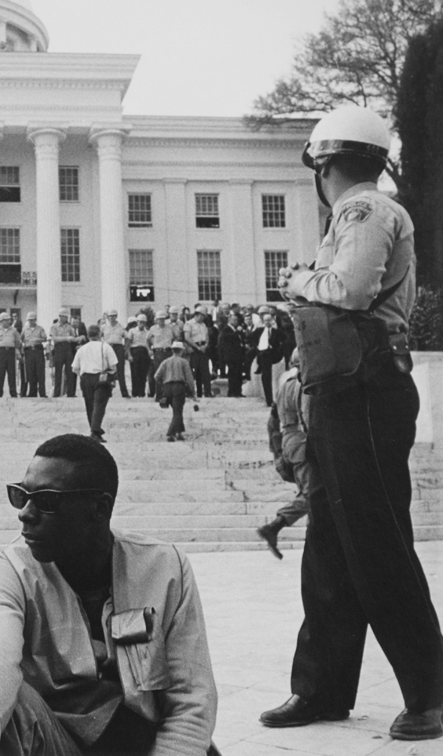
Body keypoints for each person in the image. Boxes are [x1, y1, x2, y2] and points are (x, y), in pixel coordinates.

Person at [262, 104, 443, 741]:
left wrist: (294, 277)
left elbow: (350, 288)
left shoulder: (364, 210)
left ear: (326, 165)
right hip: (342, 387)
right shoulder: (355, 213)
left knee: (376, 540)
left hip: (366, 388)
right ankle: (322, 687)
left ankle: (431, 690)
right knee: (332, 546)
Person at [0, 434, 218, 756]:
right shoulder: (7, 572)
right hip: (54, 744)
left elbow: (190, 703)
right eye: (20, 495)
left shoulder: (166, 568)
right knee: (9, 704)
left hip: (142, 744)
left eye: (46, 501)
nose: (25, 514)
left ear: (100, 508)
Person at [258, 352, 311, 559]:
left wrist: (278, 451)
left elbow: (272, 423)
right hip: (303, 442)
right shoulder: (303, 385)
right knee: (312, 495)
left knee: (310, 493)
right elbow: (307, 417)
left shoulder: (283, 387)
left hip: (289, 440)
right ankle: (275, 526)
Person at [70, 324, 118, 444]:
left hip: (85, 378)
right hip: (100, 377)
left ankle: (95, 430)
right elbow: (113, 366)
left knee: (90, 405)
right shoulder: (105, 347)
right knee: (99, 405)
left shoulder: (82, 349)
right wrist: (109, 374)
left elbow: (74, 368)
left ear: (87, 336)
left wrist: (82, 374)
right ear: (99, 334)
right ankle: (94, 432)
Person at [154, 341, 195, 442]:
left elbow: (156, 376)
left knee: (177, 410)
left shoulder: (165, 361)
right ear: (181, 351)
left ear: (172, 350)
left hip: (167, 387)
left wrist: (163, 383)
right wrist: (192, 392)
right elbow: (189, 379)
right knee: (178, 411)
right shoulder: (184, 362)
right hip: (179, 387)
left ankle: (179, 433)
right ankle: (171, 433)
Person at [0, 312, 22, 398]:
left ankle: (13, 392)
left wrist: (16, 351)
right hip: (0, 352)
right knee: (0, 373)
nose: (7, 322)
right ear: (1, 321)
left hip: (10, 352)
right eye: (5, 320)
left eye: (8, 320)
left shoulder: (14, 330)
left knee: (11, 372)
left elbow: (18, 341)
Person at [253, 312, 284, 406]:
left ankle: (274, 398)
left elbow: (282, 341)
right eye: (265, 320)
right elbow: (250, 338)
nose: (267, 322)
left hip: (273, 355)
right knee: (266, 377)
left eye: (269, 320)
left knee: (273, 377)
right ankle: (268, 400)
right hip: (263, 355)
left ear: (272, 320)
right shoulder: (259, 331)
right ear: (263, 321)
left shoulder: (276, 332)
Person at [99, 309, 130, 398]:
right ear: (107, 317)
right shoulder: (104, 327)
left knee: (120, 370)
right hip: (108, 347)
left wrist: (125, 349)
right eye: (110, 316)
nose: (111, 318)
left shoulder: (121, 327)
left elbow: (127, 338)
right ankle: (108, 392)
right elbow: (98, 337)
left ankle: (124, 393)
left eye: (113, 316)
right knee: (108, 370)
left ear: (116, 316)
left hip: (118, 347)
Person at [184, 306, 212, 398]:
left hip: (203, 348)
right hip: (194, 349)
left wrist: (206, 345)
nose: (203, 318)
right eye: (202, 316)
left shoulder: (203, 325)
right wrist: (197, 347)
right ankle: (194, 393)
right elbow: (187, 338)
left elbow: (206, 336)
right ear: (198, 314)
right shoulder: (189, 324)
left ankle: (207, 392)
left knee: (205, 372)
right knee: (195, 372)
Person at [147, 310, 175, 401]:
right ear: (156, 320)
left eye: (163, 319)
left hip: (168, 351)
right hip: (158, 352)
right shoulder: (153, 329)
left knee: (169, 373)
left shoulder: (170, 327)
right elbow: (147, 339)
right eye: (159, 319)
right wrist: (149, 349)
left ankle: (168, 394)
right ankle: (159, 395)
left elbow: (175, 338)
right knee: (158, 373)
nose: (161, 321)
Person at [50, 308, 77, 398]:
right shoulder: (54, 326)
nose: (65, 318)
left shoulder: (69, 327)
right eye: (63, 316)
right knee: (58, 372)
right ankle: (57, 393)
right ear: (60, 316)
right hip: (58, 349)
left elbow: (73, 337)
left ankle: (71, 393)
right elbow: (54, 338)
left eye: (66, 317)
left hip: (68, 349)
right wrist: (66, 338)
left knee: (69, 371)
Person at [217, 313, 245, 398]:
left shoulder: (235, 329)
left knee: (238, 373)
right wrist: (237, 332)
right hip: (231, 355)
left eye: (236, 320)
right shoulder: (226, 329)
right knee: (233, 374)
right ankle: (232, 391)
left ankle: (238, 391)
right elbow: (227, 338)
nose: (236, 322)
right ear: (229, 320)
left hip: (238, 355)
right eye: (234, 320)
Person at [21, 311, 48, 398]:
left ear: (35, 320)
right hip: (28, 351)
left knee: (40, 372)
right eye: (29, 320)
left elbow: (45, 338)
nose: (31, 322)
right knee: (30, 372)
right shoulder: (25, 329)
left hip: (38, 350)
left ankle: (42, 392)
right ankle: (32, 392)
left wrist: (37, 339)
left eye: (32, 320)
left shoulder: (40, 328)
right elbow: (21, 339)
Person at [127, 313, 151, 397]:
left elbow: (149, 343)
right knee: (135, 372)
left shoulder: (148, 332)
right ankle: (134, 392)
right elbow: (128, 344)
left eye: (143, 322)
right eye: (140, 322)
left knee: (143, 373)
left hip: (144, 352)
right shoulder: (132, 331)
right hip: (135, 351)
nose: (141, 324)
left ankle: (141, 392)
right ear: (137, 322)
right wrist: (129, 355)